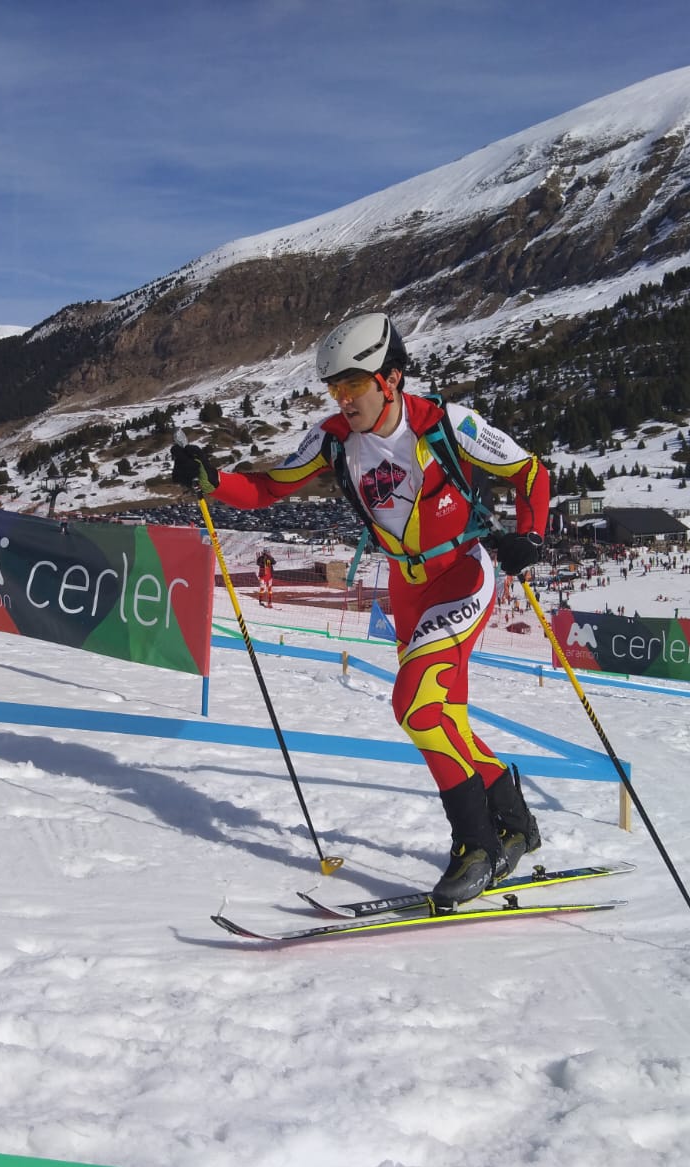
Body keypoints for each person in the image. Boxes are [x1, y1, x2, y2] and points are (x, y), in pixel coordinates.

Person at [171, 312, 550, 907]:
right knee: (443, 718)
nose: (343, 399)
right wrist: (211, 478)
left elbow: (530, 472)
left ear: (391, 378)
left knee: (416, 707)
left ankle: (476, 846)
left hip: (461, 577)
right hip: (407, 588)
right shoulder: (333, 440)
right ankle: (518, 826)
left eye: (354, 385)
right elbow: (269, 488)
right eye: (335, 388)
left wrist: (531, 535)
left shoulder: (445, 424)